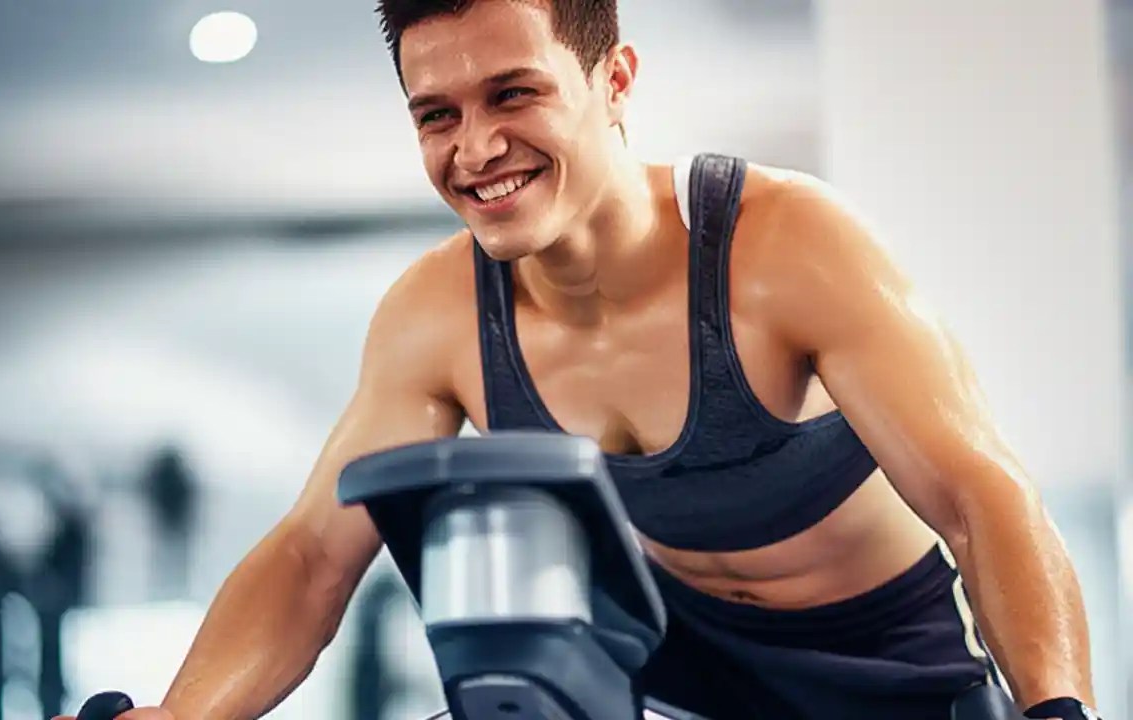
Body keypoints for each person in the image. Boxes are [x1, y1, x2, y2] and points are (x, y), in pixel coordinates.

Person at [56, 1, 1100, 718]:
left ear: (613, 79)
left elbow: (981, 498)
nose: (473, 149)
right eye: (436, 114)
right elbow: (311, 553)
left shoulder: (786, 248)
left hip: (888, 679)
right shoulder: (436, 317)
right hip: (663, 681)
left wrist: (1057, 707)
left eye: (513, 94)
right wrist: (184, 711)